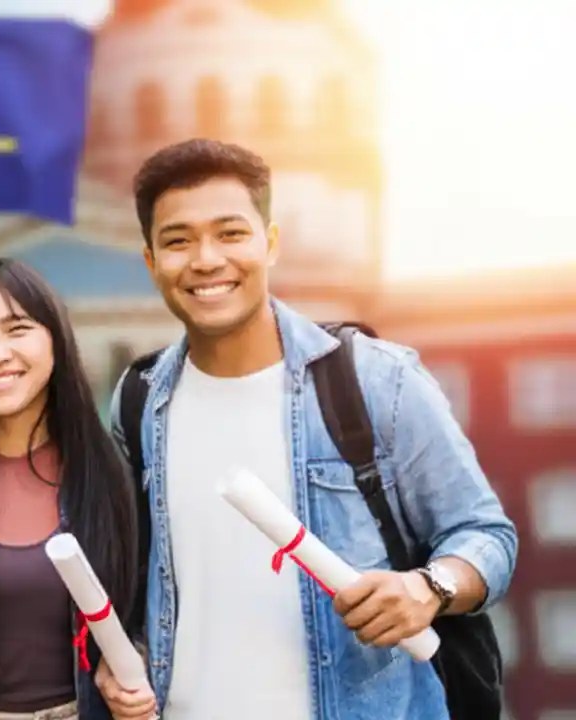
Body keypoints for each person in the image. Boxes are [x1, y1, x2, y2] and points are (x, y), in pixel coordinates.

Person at [109, 138, 518, 719]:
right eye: (178, 240)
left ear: (269, 243)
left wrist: (429, 588)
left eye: (230, 233)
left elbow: (487, 536)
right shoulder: (138, 401)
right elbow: (138, 577)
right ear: (151, 261)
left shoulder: (376, 379)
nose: (205, 260)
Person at [0, 258, 158, 720]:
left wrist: (135, 657)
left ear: (56, 341)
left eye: (16, 328)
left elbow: (148, 603)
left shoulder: (110, 474)